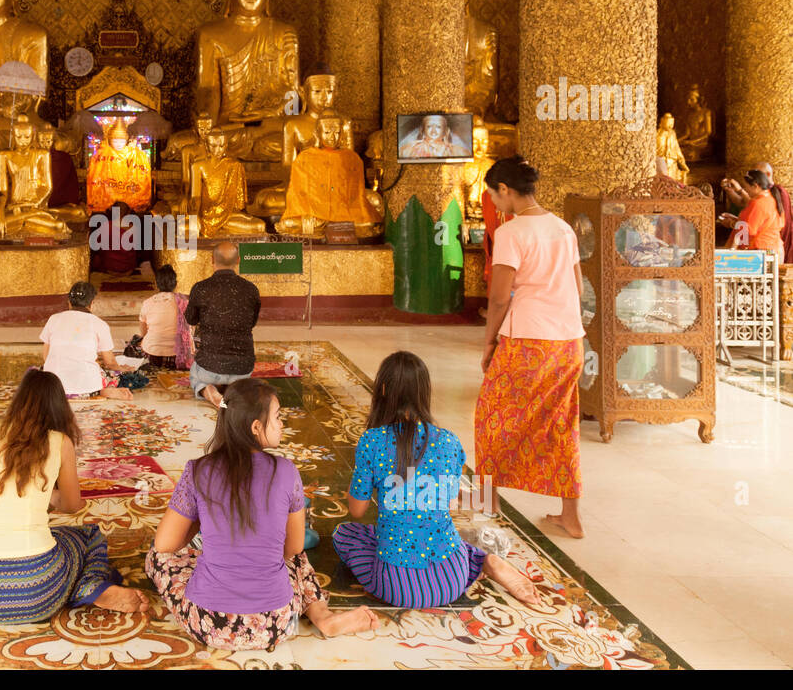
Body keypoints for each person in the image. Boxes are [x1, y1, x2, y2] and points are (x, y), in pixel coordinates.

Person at [146, 378, 377, 649]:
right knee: (299, 561)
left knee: (157, 558)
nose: (282, 424)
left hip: (208, 622)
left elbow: (165, 545)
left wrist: (200, 520)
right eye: (277, 417)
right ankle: (322, 616)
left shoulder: (198, 470)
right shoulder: (287, 471)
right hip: (276, 621)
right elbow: (292, 549)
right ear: (256, 427)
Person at [334, 351, 541, 609]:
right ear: (424, 392)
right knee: (442, 534)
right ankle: (482, 560)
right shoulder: (449, 441)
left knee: (346, 535)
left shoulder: (372, 441)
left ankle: (472, 558)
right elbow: (449, 502)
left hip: (397, 585)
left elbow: (356, 510)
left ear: (383, 390)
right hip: (451, 578)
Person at [0, 368, 148, 622]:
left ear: (18, 400)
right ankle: (89, 588)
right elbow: (72, 505)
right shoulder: (59, 441)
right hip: (39, 590)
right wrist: (54, 495)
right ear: (59, 406)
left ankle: (77, 590)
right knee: (88, 536)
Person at [474, 156, 584, 538]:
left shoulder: (511, 233)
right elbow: (579, 288)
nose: (493, 202)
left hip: (528, 341)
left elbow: (500, 297)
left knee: (492, 416)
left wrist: (489, 342)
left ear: (505, 189)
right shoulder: (563, 229)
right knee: (561, 423)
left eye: (492, 194)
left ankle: (490, 501)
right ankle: (570, 515)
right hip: (569, 340)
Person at [184, 241, 259, 406]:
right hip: (243, 369)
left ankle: (208, 391)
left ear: (212, 259)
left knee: (194, 375)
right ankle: (235, 388)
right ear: (238, 260)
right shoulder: (251, 289)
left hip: (210, 367)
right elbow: (251, 323)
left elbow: (190, 319)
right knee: (240, 379)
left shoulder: (200, 288)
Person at [40, 281, 132, 399]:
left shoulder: (54, 319)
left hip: (53, 387)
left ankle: (94, 391)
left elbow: (46, 357)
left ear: (69, 302)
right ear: (91, 303)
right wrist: (123, 369)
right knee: (115, 374)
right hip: (87, 386)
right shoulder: (100, 324)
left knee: (38, 370)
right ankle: (101, 391)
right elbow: (110, 363)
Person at [722, 168, 787, 264]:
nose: (745, 190)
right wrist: (736, 219)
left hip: (764, 253)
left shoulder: (759, 203)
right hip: (773, 251)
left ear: (755, 186)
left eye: (746, 187)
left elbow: (748, 230)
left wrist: (731, 223)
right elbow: (757, 223)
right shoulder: (769, 198)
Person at [137, 264, 186, 369]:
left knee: (136, 341)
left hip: (152, 354)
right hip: (177, 356)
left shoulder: (147, 302)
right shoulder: (184, 302)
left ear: (156, 284)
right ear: (176, 284)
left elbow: (143, 331)